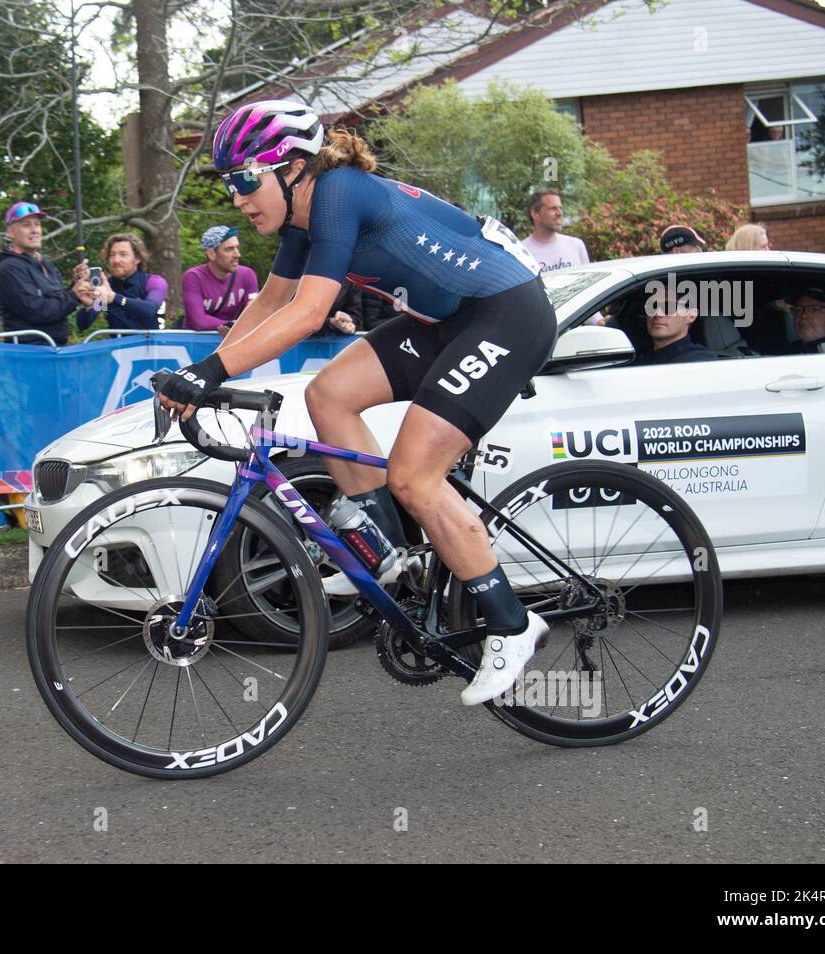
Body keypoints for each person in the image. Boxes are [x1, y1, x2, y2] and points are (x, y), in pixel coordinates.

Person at [157, 99, 555, 707]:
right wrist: (197, 375)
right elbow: (269, 305)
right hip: (445, 320)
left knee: (415, 475)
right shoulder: (301, 218)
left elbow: (310, 313)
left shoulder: (339, 191)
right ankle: (387, 550)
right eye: (229, 185)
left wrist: (209, 372)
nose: (236, 199)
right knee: (330, 393)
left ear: (290, 166)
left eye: (243, 180)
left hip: (506, 315)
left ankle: (511, 622)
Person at [0, 201, 94, 345]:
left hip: (55, 348)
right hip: (30, 353)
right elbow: (37, 311)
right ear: (10, 232)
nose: (34, 230)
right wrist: (74, 294)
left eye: (37, 224)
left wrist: (77, 283)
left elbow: (57, 300)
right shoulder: (9, 268)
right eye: (26, 225)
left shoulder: (45, 263)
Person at [76, 234, 168, 333]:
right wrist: (88, 306)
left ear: (138, 258)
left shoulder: (154, 281)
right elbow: (83, 325)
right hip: (118, 346)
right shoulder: (107, 286)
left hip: (150, 345)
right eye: (112, 254)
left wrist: (115, 298)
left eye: (123, 254)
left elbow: (150, 310)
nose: (116, 260)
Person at [181, 225, 259, 332]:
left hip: (235, 340)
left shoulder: (247, 275)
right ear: (212, 254)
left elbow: (254, 313)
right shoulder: (194, 277)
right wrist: (230, 325)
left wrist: (234, 327)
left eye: (237, 247)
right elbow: (198, 321)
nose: (237, 254)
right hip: (197, 343)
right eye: (229, 249)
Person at [637, 293, 718, 364]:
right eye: (652, 306)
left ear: (691, 315)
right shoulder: (634, 356)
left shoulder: (701, 361)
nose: (657, 313)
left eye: (668, 307)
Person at [520, 190, 590, 272]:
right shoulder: (521, 253)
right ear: (535, 214)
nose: (560, 213)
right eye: (553, 208)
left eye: (560, 208)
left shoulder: (576, 245)